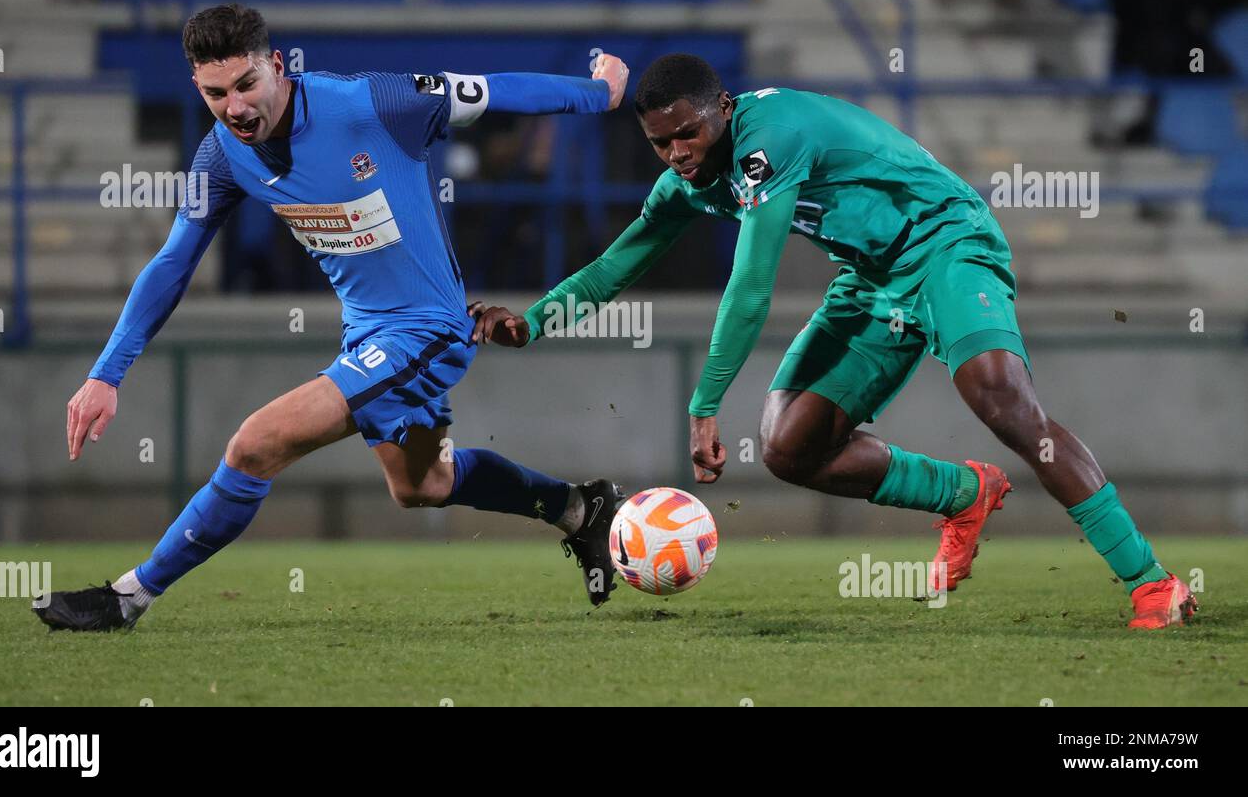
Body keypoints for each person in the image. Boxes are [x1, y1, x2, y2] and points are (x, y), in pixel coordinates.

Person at [470, 54, 1197, 629]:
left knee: (1001, 399)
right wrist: (533, 322)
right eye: (660, 142)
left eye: (688, 133)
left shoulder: (769, 138)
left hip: (944, 240)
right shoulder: (687, 181)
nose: (677, 153)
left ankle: (1152, 583)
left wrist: (704, 404)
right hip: (872, 276)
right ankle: (966, 493)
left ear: (723, 109)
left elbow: (751, 285)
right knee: (789, 446)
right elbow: (612, 267)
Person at [38, 4, 631, 632]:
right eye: (215, 93)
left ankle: (128, 598)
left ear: (276, 66)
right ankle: (580, 509)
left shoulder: (370, 105)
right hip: (367, 335)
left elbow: (497, 89)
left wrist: (600, 93)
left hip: (426, 333)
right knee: (421, 485)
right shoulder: (220, 157)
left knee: (253, 446)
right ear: (197, 89)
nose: (235, 107)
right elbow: (171, 264)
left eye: (246, 85)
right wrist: (107, 373)